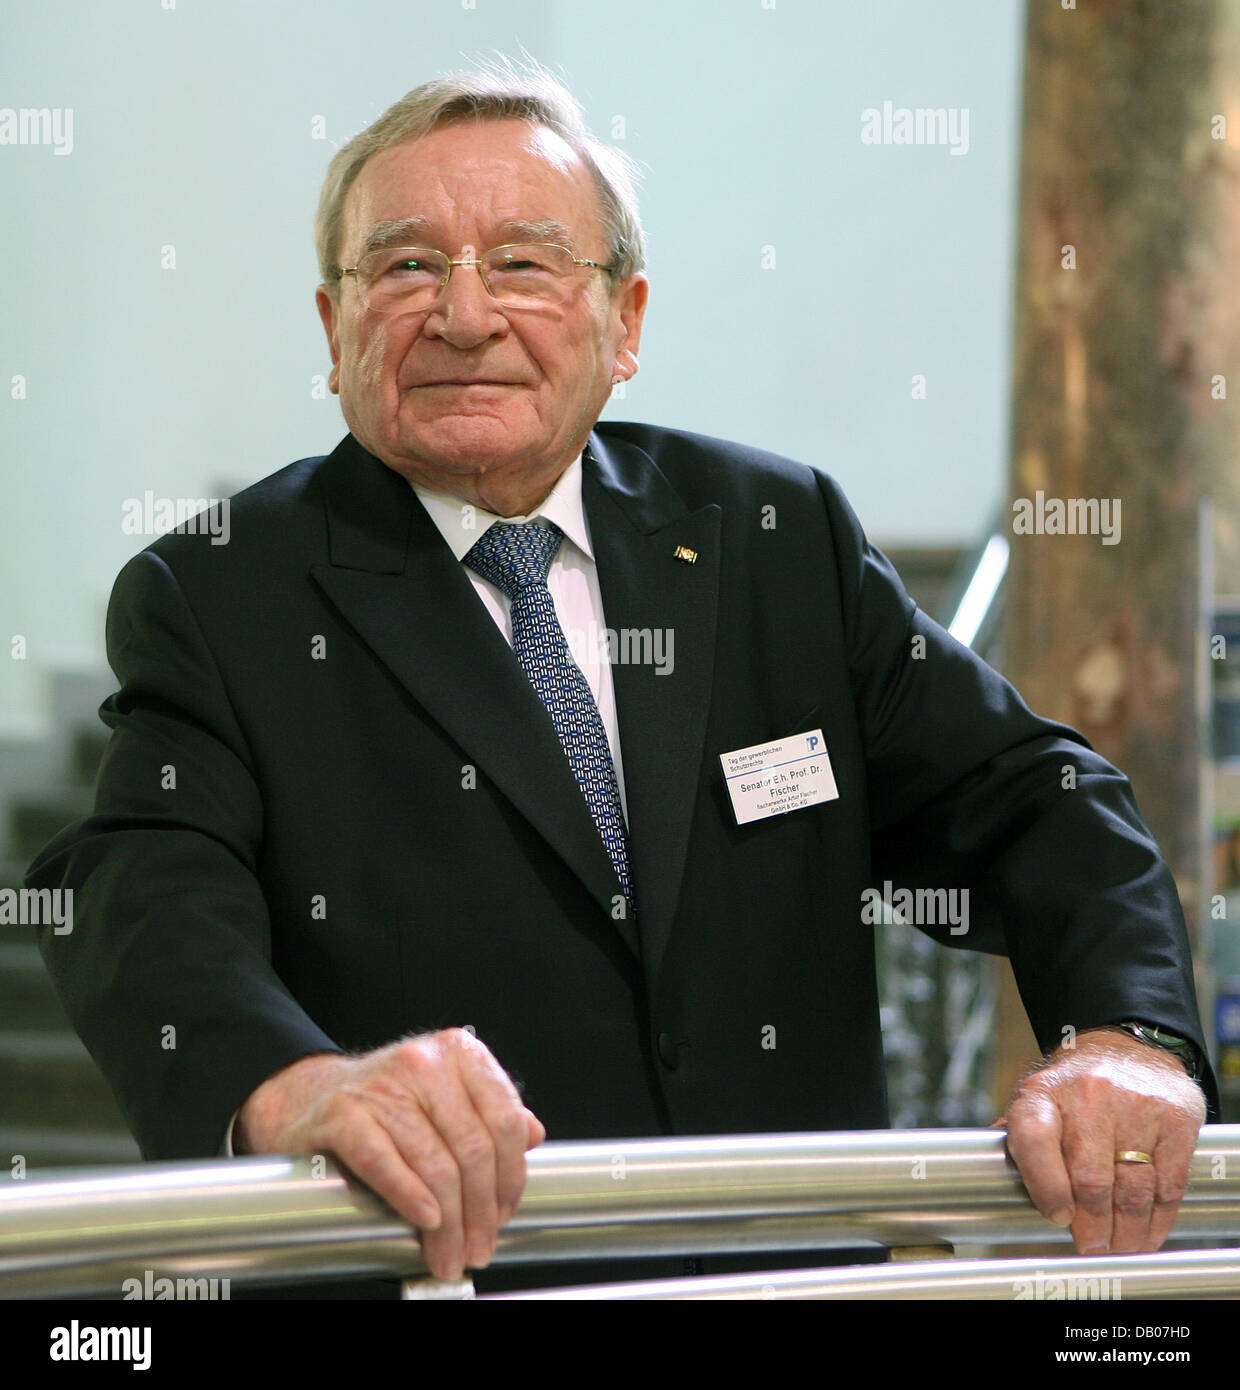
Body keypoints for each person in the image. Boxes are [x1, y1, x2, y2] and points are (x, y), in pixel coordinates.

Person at [27, 63, 1213, 1295]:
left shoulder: (770, 534)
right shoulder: (225, 592)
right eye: (405, 267)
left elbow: (1035, 794)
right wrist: (300, 1086)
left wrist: (1125, 1036)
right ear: (333, 329)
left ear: (626, 321)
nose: (465, 315)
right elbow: (140, 882)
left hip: (788, 1278)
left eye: (525, 264)